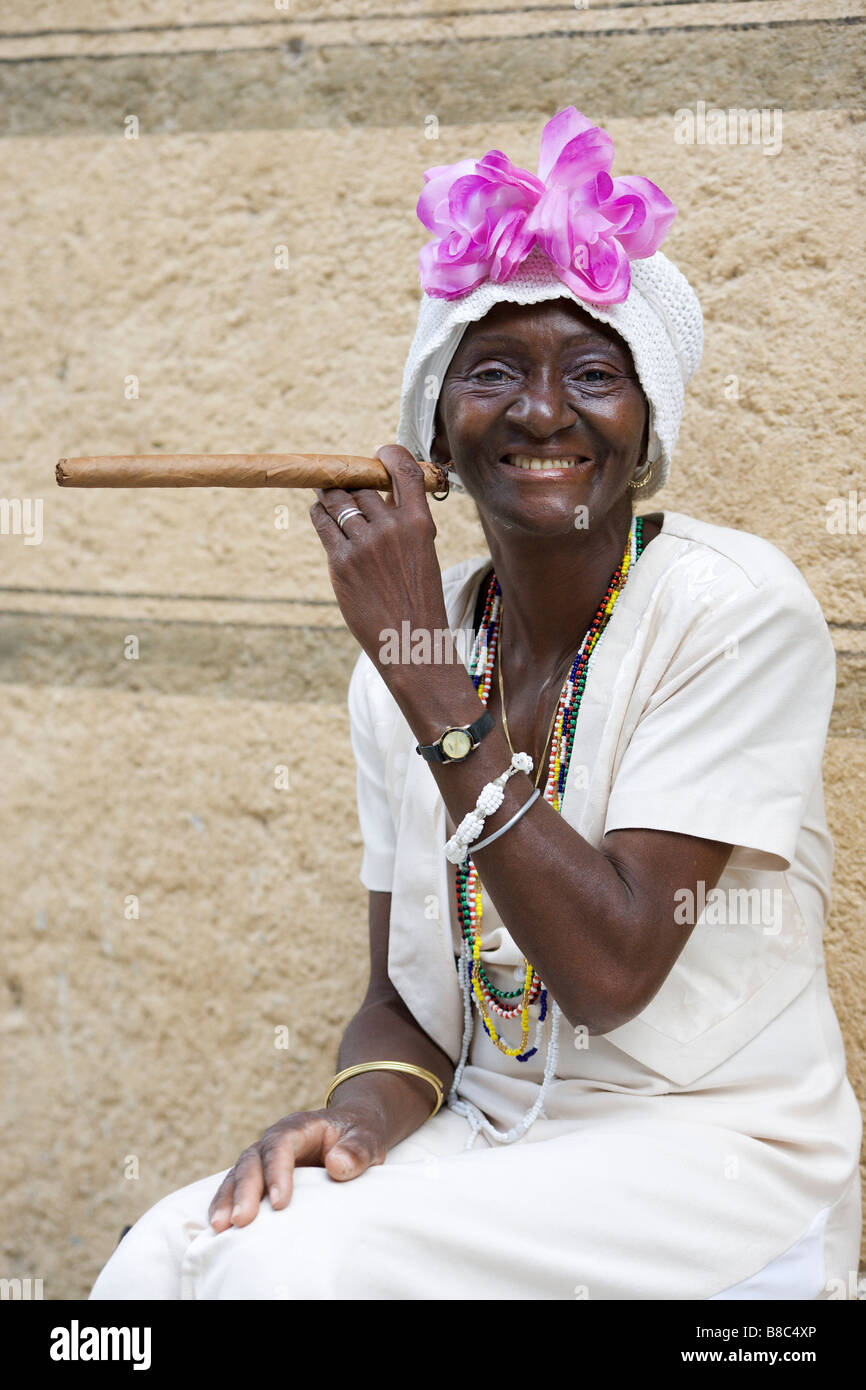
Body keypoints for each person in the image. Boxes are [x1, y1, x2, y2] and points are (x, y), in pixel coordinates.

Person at [89, 108, 861, 1300]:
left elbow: (609, 971)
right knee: (165, 1252)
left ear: (646, 424)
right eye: (491, 372)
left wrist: (424, 678)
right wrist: (354, 1120)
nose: (543, 412)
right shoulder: (410, 646)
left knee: (296, 1275)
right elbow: (401, 1001)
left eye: (593, 374)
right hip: (489, 1135)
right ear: (431, 430)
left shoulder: (732, 611)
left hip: (705, 1149)